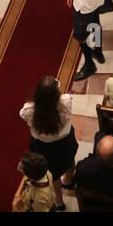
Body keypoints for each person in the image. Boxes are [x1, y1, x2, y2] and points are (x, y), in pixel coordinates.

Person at [20, 75, 77, 207]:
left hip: (43, 147)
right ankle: (69, 181)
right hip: (65, 142)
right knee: (70, 159)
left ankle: (59, 202)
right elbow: (64, 97)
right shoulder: (66, 101)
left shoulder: (29, 110)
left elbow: (22, 114)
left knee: (54, 175)